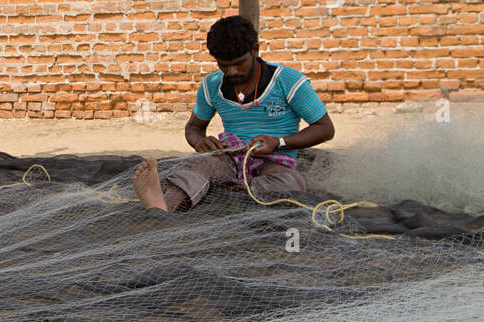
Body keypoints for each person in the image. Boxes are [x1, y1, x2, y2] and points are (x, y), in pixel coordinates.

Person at [133, 15, 335, 213]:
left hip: (274, 161)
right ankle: (161, 208)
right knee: (197, 167)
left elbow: (325, 129)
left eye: (239, 63)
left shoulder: (288, 81)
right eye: (223, 65)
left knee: (291, 181)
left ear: (255, 50)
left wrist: (278, 142)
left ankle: (238, 192)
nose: (231, 72)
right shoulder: (211, 86)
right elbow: (194, 128)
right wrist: (199, 142)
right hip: (229, 157)